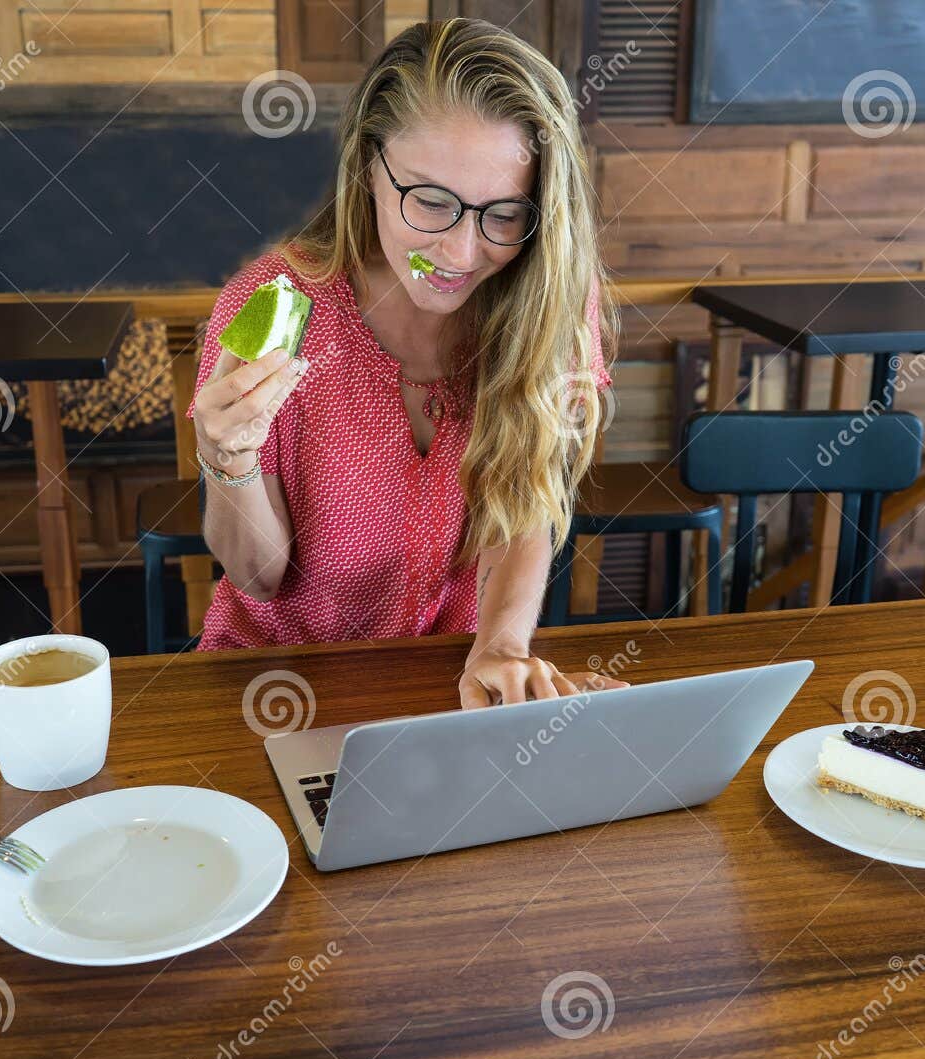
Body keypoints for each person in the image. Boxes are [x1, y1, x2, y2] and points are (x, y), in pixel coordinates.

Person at [187, 18, 629, 708]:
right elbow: (260, 576)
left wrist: (502, 645)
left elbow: (523, 501)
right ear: (369, 166)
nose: (459, 252)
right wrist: (227, 454)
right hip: (277, 687)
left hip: (442, 685)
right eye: (429, 202)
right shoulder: (275, 307)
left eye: (504, 214)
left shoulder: (552, 295)